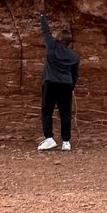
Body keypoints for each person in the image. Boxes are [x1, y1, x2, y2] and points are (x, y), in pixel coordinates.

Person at [37, 9, 79, 151]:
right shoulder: (74, 56)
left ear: (59, 39)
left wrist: (42, 15)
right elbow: (75, 74)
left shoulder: (52, 46)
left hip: (50, 83)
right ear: (69, 42)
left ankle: (49, 139)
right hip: (66, 85)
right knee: (65, 113)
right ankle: (66, 142)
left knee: (47, 111)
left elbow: (46, 31)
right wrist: (71, 87)